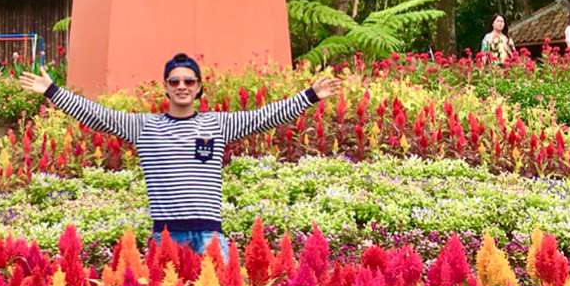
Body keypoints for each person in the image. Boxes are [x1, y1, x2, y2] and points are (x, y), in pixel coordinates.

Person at [19, 51, 335, 256]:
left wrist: (309, 96)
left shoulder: (218, 125)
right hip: (166, 236)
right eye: (175, 81)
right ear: (166, 87)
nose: (182, 86)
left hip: (209, 236)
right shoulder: (145, 127)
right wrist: (52, 91)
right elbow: (98, 115)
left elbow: (265, 117)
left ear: (198, 87)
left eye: (188, 81)